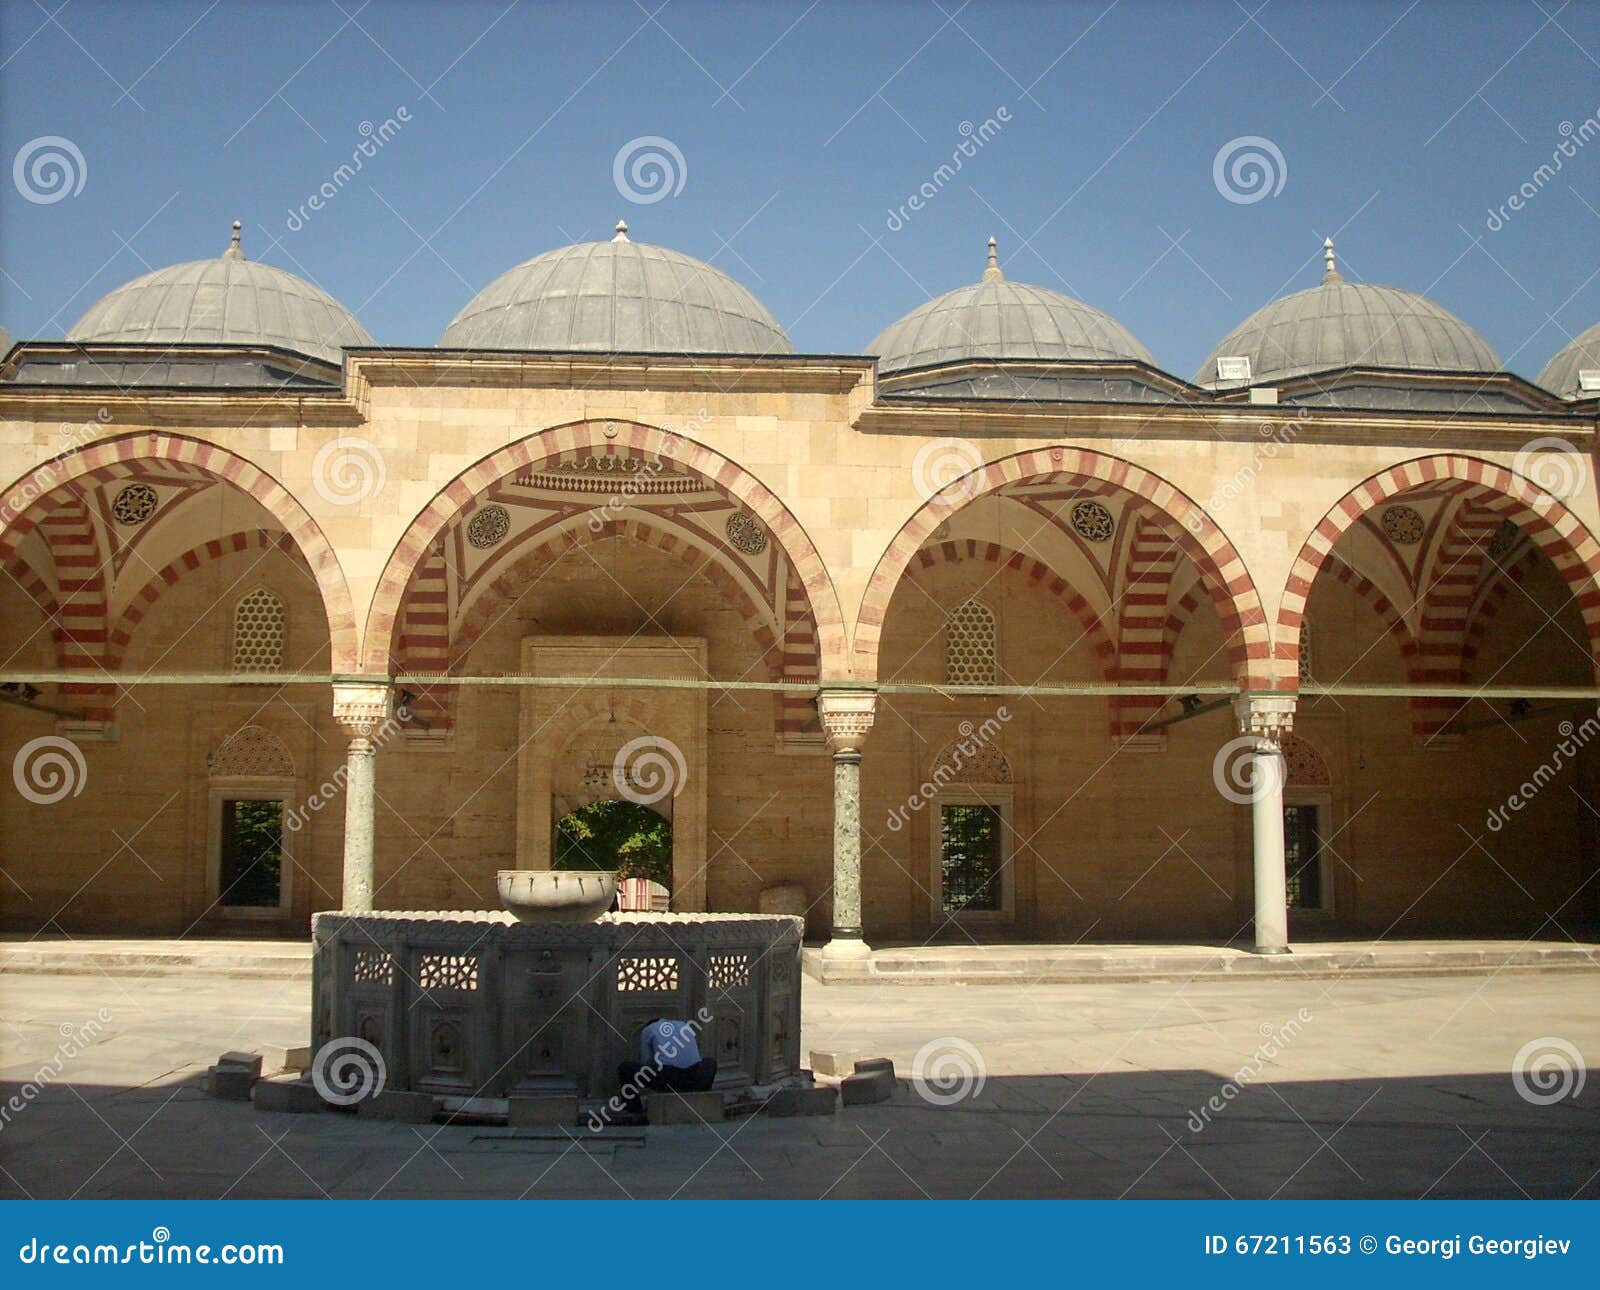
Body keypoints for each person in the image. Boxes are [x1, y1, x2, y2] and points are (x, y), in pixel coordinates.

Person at [616, 1017, 718, 1116]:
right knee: (710, 1062)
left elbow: (646, 1061)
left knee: (625, 1068)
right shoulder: (683, 1025)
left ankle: (634, 1110)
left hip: (670, 1081)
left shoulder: (648, 1030)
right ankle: (704, 1097)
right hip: (696, 1079)